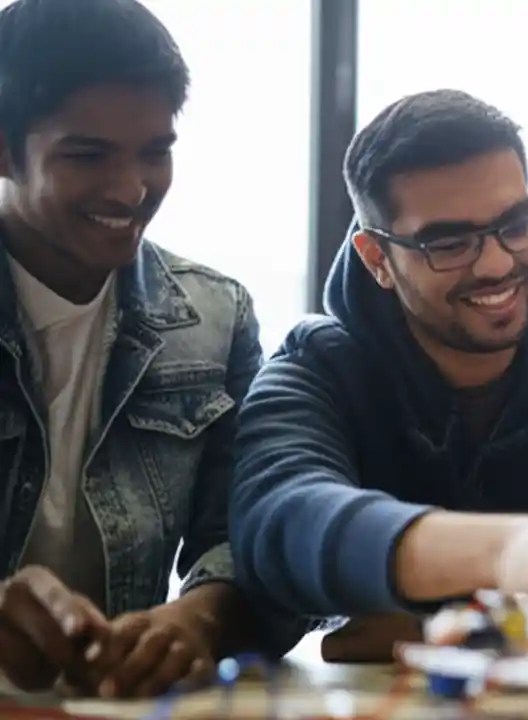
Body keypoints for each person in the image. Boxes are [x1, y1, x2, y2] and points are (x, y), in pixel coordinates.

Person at [229, 90, 528, 646]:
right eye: (449, 243)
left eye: (515, 224)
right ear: (376, 259)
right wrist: (503, 552)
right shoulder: (315, 369)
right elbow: (278, 527)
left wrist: (436, 623)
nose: (498, 263)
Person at [0, 0, 263, 698]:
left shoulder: (215, 317)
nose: (131, 188)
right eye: (87, 155)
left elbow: (252, 531)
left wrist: (197, 618)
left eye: (156, 150)